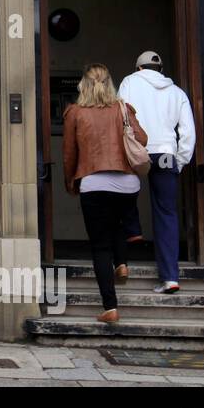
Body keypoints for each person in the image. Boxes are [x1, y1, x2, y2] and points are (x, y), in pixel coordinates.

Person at [63, 63, 148, 323]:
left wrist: (70, 181)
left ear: (83, 85)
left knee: (100, 246)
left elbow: (69, 153)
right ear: (110, 83)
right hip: (127, 183)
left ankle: (110, 307)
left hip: (93, 183)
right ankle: (121, 263)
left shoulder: (75, 112)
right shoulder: (122, 108)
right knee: (118, 223)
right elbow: (142, 139)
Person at [117, 50, 196, 295]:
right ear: (160, 70)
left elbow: (120, 117)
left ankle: (122, 258)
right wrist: (179, 161)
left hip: (135, 151)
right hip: (165, 154)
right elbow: (188, 133)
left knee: (120, 200)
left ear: (139, 68)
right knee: (166, 213)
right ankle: (170, 277)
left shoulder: (129, 82)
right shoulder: (177, 92)